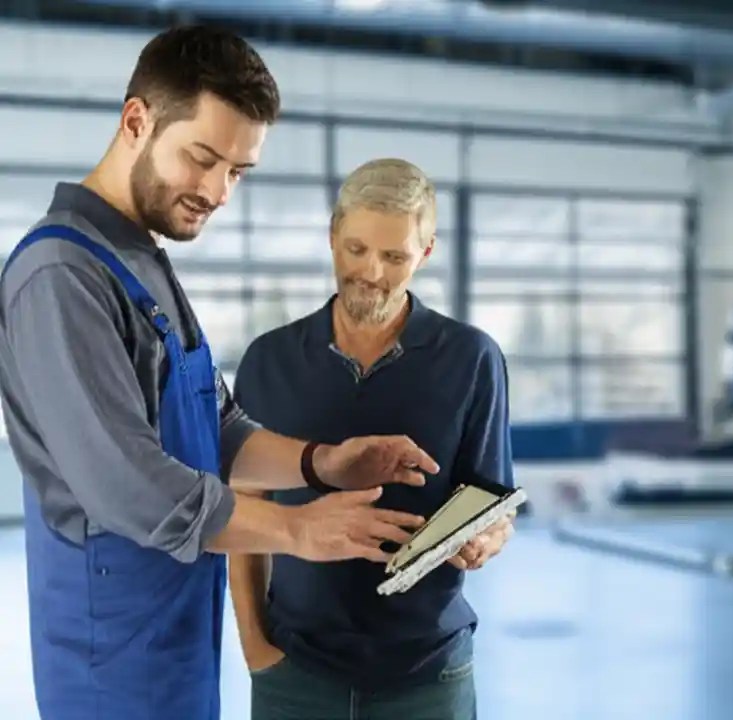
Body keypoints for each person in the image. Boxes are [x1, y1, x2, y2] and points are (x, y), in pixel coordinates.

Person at [0, 26, 446, 720]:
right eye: (202, 158)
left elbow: (214, 423)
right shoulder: (61, 277)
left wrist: (323, 463)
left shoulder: (141, 262)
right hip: (110, 656)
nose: (217, 192)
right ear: (136, 121)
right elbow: (130, 489)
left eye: (237, 171)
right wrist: (300, 531)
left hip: (173, 635)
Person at [229, 158, 514, 720]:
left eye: (395, 257)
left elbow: (492, 506)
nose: (372, 272)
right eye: (356, 249)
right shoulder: (269, 360)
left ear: (425, 253)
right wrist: (256, 650)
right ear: (332, 235)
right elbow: (243, 513)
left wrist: (486, 540)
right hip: (296, 670)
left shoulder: (472, 359)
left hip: (429, 673)